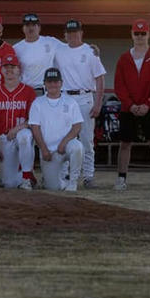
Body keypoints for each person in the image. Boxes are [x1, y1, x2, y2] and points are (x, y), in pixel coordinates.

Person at [113, 19, 150, 191]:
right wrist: (129, 105)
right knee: (125, 144)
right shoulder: (124, 58)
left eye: (143, 33)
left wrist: (149, 103)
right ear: (131, 34)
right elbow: (119, 85)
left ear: (148, 34)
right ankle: (121, 179)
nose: (139, 37)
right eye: (136, 33)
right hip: (128, 108)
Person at [54, 19, 106, 188]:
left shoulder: (90, 52)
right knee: (63, 137)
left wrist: (98, 104)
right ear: (65, 34)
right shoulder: (59, 50)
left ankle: (88, 176)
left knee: (86, 139)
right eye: (69, 33)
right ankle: (62, 175)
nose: (72, 35)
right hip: (65, 98)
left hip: (85, 98)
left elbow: (100, 79)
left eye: (75, 32)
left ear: (81, 33)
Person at [29, 67, 84, 192]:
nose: (53, 84)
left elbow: (77, 126)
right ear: (44, 83)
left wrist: (64, 142)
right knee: (52, 187)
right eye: (49, 82)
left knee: (77, 147)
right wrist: (43, 149)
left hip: (66, 146)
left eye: (56, 81)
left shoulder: (70, 102)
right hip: (49, 151)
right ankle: (59, 180)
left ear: (61, 83)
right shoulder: (38, 103)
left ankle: (73, 181)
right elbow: (35, 128)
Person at [0, 55, 37, 189]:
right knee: (9, 184)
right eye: (6, 67)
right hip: (5, 138)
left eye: (13, 67)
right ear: (1, 70)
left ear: (19, 70)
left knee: (25, 136)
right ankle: (24, 175)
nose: (9, 70)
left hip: (22, 133)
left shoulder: (29, 91)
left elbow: (33, 120)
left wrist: (17, 128)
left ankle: (26, 177)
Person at [13, 13, 65, 95]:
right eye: (27, 25)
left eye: (34, 25)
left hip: (47, 92)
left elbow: (70, 49)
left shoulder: (51, 42)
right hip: (25, 92)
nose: (31, 28)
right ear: (23, 28)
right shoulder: (16, 48)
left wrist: (90, 49)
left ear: (39, 27)